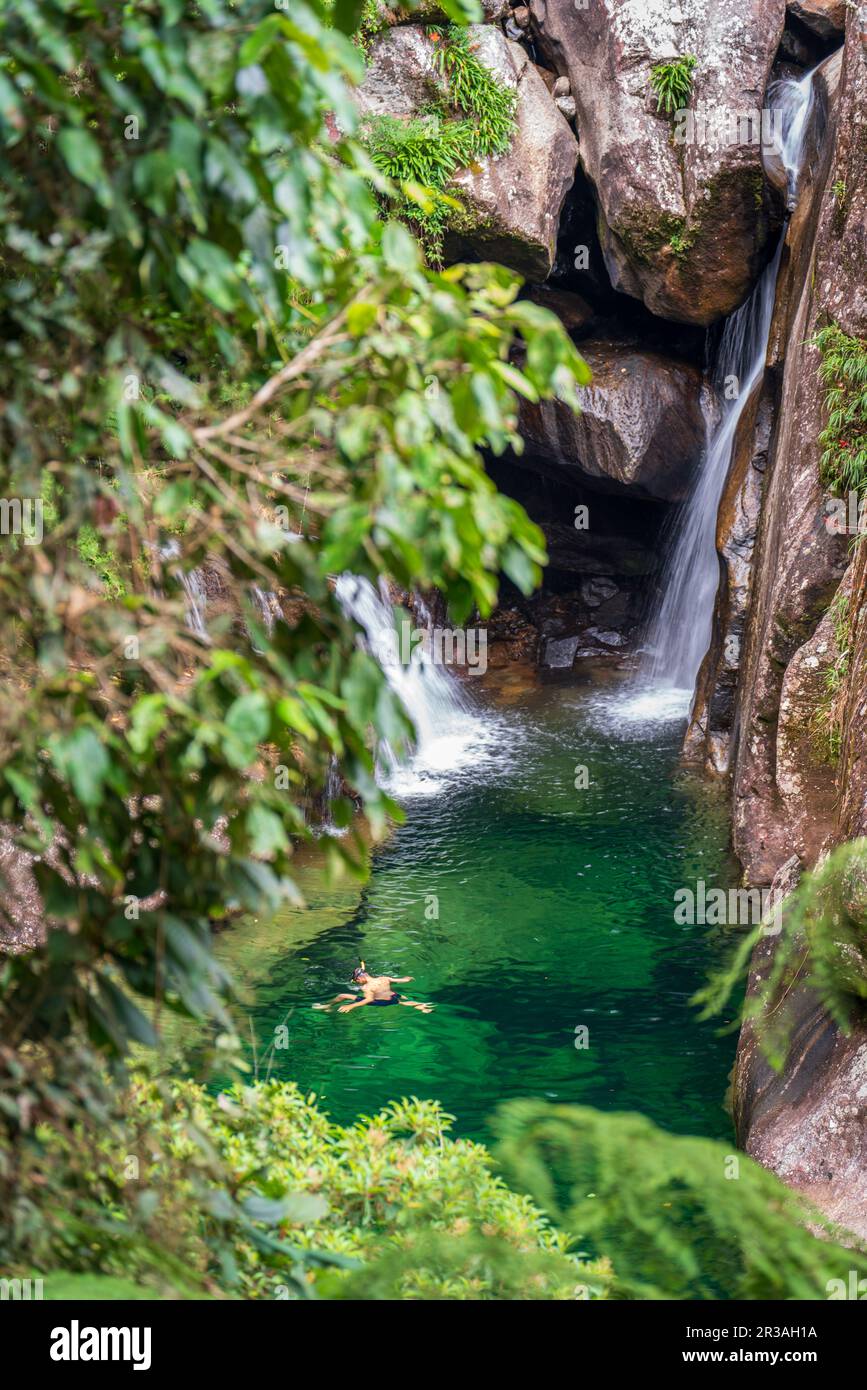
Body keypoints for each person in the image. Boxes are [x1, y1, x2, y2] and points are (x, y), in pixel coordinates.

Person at [320, 962, 433, 1014]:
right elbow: (403, 980)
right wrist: (408, 978)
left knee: (342, 996)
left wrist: (351, 1005)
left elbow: (368, 1000)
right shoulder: (384, 978)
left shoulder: (367, 987)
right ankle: (421, 1006)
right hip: (393, 997)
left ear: (360, 978)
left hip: (382, 1002)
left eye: (356, 981)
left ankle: (327, 1006)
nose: (358, 983)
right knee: (400, 1000)